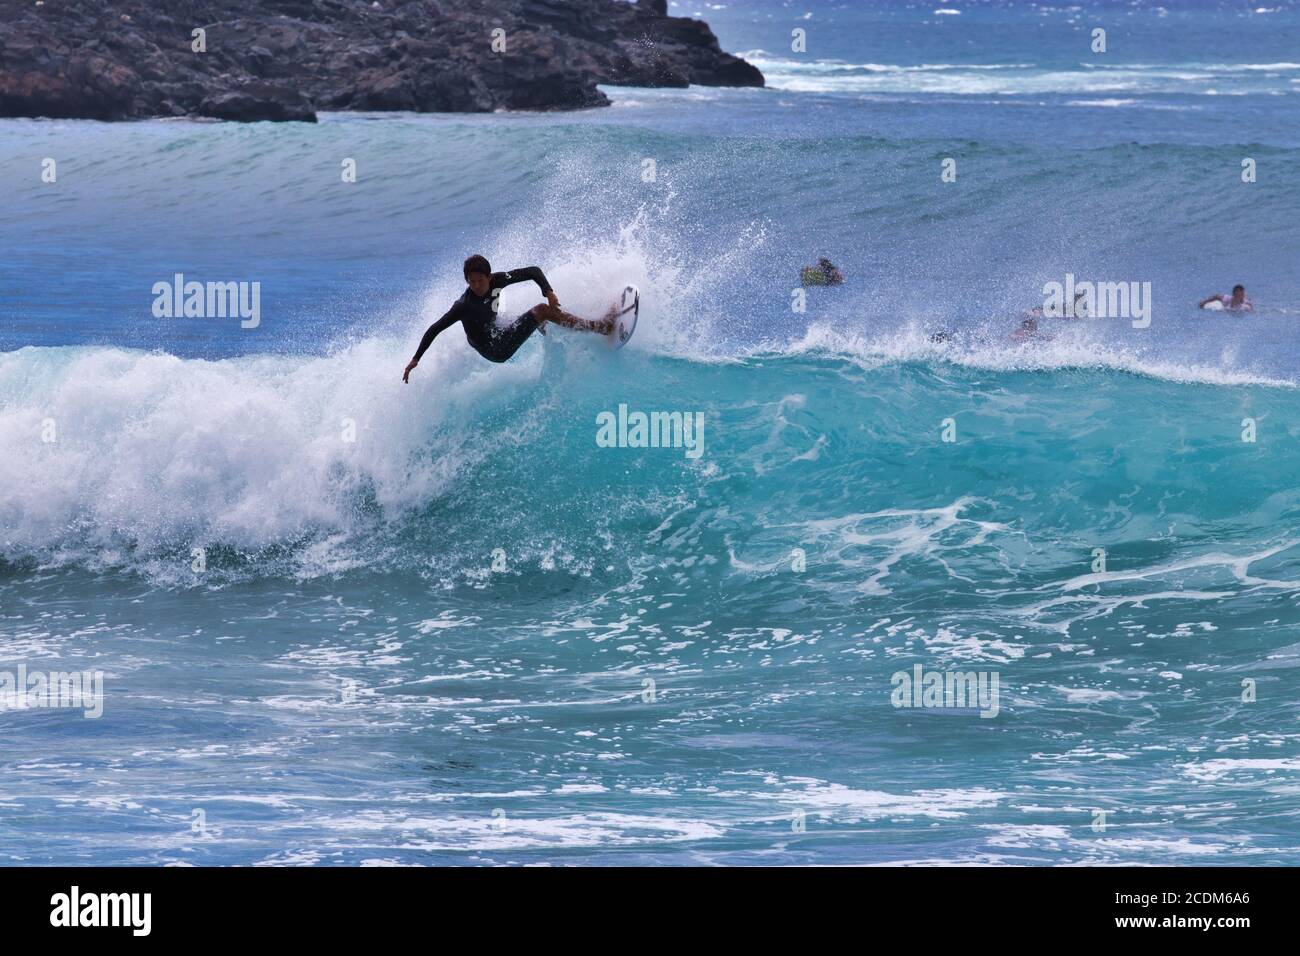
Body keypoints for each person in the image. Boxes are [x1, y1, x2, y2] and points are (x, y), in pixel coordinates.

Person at [403, 255, 613, 381]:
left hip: (496, 330)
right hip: (493, 349)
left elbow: (533, 271)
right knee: (540, 311)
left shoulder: (498, 280)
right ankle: (601, 327)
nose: (476, 286)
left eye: (480, 280)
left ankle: (570, 335)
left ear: (489, 277)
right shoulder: (463, 306)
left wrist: (548, 291)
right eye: (471, 282)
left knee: (539, 316)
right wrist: (416, 359)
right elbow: (434, 329)